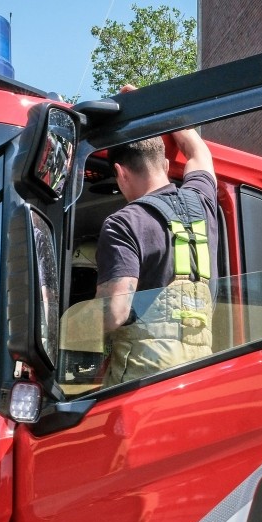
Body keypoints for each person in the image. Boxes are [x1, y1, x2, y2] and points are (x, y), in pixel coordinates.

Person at [95, 118, 218, 388]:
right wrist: (155, 110)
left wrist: (62, 330)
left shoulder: (123, 223)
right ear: (164, 165)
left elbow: (114, 312)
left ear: (121, 172)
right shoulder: (203, 201)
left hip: (143, 389)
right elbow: (198, 150)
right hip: (199, 379)